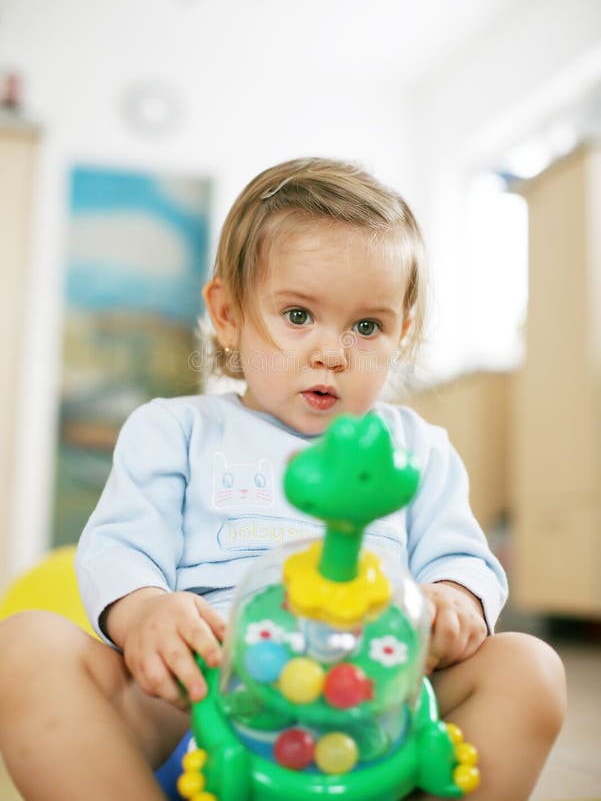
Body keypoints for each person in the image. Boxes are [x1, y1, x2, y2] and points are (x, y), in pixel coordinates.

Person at [0, 158, 565, 800]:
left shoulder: (417, 449)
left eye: (367, 326)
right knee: (24, 645)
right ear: (229, 313)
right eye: (299, 316)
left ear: (401, 335)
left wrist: (455, 600)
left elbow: (464, 557)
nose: (331, 351)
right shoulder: (174, 429)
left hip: (376, 706)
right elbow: (120, 548)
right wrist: (146, 612)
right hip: (198, 701)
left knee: (530, 668)